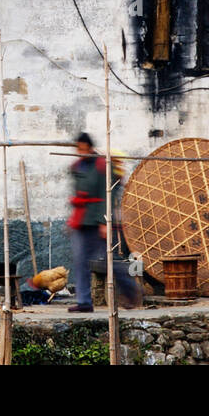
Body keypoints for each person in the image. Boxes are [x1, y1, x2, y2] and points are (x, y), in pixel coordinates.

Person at [67, 133, 141, 312]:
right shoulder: (77, 167)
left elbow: (105, 195)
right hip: (82, 220)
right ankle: (84, 301)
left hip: (98, 219)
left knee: (108, 260)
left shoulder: (101, 167)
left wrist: (103, 222)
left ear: (90, 148)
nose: (81, 151)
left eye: (84, 148)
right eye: (79, 148)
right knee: (80, 261)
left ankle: (132, 290)